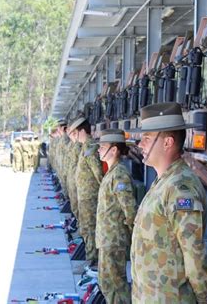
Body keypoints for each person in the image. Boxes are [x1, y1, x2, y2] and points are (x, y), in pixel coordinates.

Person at [129, 102, 207, 303]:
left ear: (167, 142)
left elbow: (193, 251)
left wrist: (202, 297)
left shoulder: (180, 187)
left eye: (147, 139)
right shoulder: (163, 182)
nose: (140, 144)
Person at [96, 129, 136, 303]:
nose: (99, 149)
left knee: (116, 283)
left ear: (114, 150)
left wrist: (133, 237)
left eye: (102, 146)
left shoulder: (119, 174)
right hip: (107, 238)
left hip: (114, 239)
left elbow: (130, 209)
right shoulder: (112, 172)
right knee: (106, 282)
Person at [72, 117, 103, 266]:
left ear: (82, 131)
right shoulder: (85, 147)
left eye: (76, 132)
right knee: (86, 227)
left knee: (90, 228)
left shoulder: (90, 147)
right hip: (85, 195)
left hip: (90, 196)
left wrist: (102, 192)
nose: (74, 136)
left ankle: (93, 261)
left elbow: (97, 172)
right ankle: (91, 258)